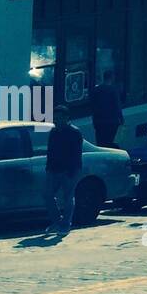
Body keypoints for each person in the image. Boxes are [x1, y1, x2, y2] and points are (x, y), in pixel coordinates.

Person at [44, 106, 84, 238]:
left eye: (60, 118)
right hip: (54, 169)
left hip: (69, 170)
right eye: (55, 118)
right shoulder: (54, 132)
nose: (57, 120)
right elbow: (50, 151)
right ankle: (57, 221)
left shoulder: (74, 132)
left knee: (68, 197)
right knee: (47, 195)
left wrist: (71, 171)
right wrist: (48, 168)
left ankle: (66, 224)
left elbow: (76, 154)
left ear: (67, 118)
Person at [90, 70, 123, 149]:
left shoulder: (96, 90)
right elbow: (117, 106)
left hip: (99, 122)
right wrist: (121, 119)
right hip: (112, 122)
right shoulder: (113, 90)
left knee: (101, 143)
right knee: (112, 143)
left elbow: (92, 106)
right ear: (112, 78)